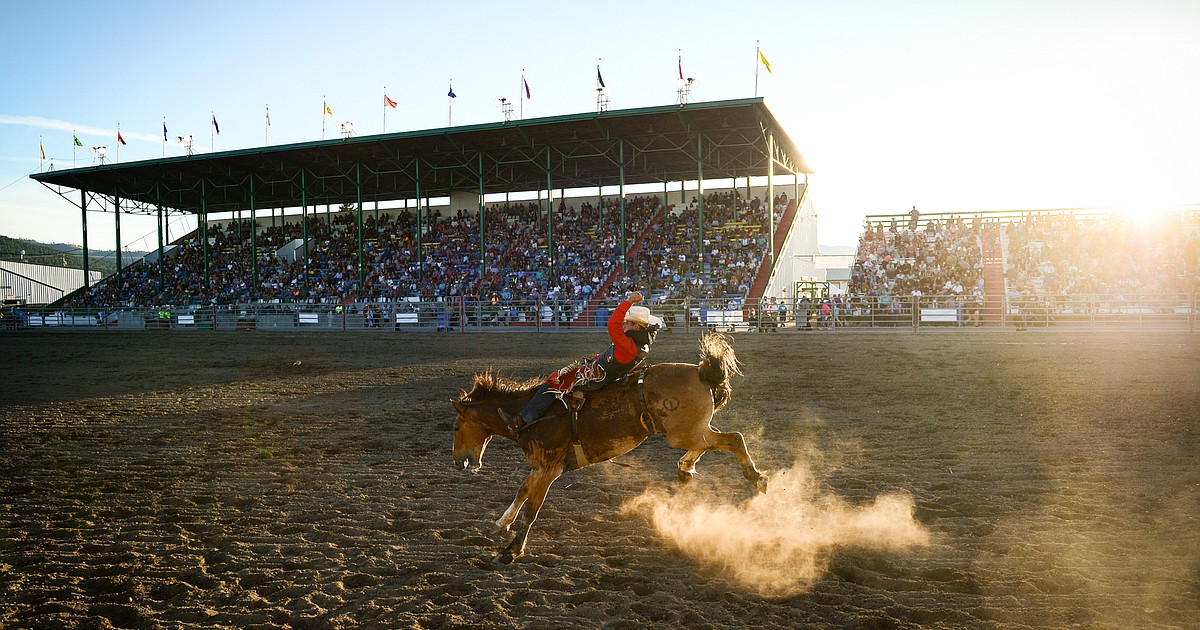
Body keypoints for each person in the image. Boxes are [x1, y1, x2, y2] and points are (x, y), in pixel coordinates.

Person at [499, 291, 662, 432]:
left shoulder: (628, 344)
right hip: (602, 372)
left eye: (628, 322)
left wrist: (628, 302)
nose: (624, 324)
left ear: (637, 327)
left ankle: (522, 420)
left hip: (596, 377)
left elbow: (613, 325)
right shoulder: (640, 345)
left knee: (555, 381)